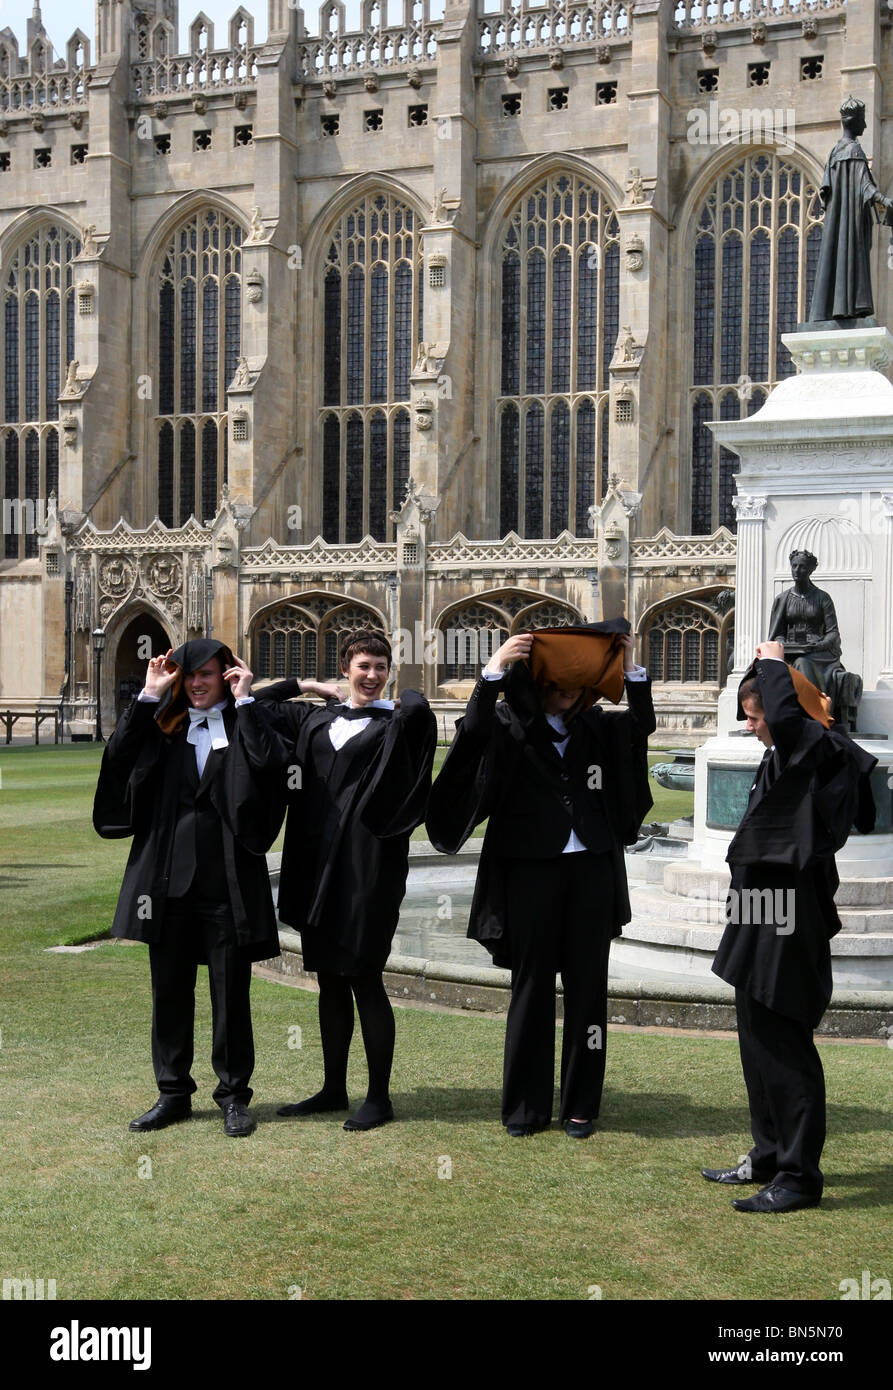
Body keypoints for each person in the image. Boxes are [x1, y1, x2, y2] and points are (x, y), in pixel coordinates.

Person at [426, 620, 655, 1138]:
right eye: (556, 684)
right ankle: (526, 1106)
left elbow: (642, 723)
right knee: (530, 989)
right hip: (530, 870)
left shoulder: (598, 728)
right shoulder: (511, 725)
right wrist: (494, 669)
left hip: (591, 869)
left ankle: (580, 1106)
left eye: (576, 684)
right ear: (539, 683)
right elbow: (472, 732)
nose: (567, 693)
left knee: (588, 990)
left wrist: (630, 666)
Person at [702, 641, 876, 1212]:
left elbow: (785, 714)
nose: (752, 728)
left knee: (784, 1043)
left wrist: (775, 661)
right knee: (755, 1036)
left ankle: (800, 1177)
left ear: (784, 712)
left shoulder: (819, 750)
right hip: (757, 912)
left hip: (789, 918)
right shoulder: (782, 755)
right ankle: (770, 1155)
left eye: (755, 717)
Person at [93, 639, 284, 1137]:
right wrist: (149, 696)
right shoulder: (164, 728)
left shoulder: (246, 723)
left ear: (227, 676)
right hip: (166, 884)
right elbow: (118, 758)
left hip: (227, 883)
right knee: (169, 992)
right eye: (189, 676)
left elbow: (270, 767)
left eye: (207, 675)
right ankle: (173, 1092)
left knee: (230, 993)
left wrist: (247, 701)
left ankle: (234, 1096)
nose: (197, 684)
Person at [255, 629, 436, 1131]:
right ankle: (334, 1088)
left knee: (364, 977)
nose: (373, 675)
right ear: (346, 668)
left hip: (367, 868)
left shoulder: (397, 723)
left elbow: (421, 712)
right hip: (314, 864)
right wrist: (310, 685)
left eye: (381, 666)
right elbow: (251, 703)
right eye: (364, 666)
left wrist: (406, 696)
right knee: (329, 980)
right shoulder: (315, 717)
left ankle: (379, 1097)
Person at [808, 94, 893, 325]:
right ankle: (848, 306)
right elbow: (865, 187)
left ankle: (837, 306)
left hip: (840, 226)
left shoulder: (835, 153)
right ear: (853, 121)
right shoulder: (854, 152)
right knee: (851, 257)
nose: (865, 125)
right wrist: (885, 201)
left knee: (837, 256)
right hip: (851, 227)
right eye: (863, 120)